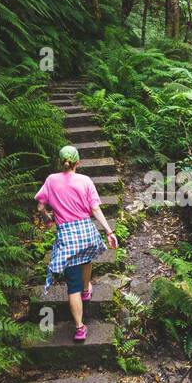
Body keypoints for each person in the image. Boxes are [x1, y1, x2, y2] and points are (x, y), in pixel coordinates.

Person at [36, 145, 119, 341]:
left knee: (71, 285)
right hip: (86, 232)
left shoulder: (51, 180)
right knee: (87, 257)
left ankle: (80, 328)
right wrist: (109, 231)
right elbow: (95, 209)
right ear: (78, 163)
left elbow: (40, 206)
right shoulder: (85, 181)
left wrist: (48, 218)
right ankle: (86, 289)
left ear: (60, 162)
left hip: (67, 236)